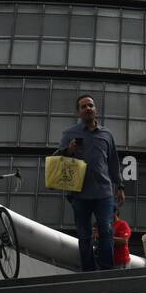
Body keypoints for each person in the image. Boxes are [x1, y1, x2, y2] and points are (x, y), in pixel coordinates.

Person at [55, 94, 125, 272]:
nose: (88, 108)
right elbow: (56, 158)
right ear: (79, 112)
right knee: (85, 234)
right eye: (84, 106)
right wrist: (69, 150)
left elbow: (113, 163)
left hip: (104, 193)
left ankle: (106, 268)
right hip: (79, 193)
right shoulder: (70, 133)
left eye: (91, 105)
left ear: (96, 109)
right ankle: (88, 270)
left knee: (106, 230)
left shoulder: (107, 134)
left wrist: (121, 186)